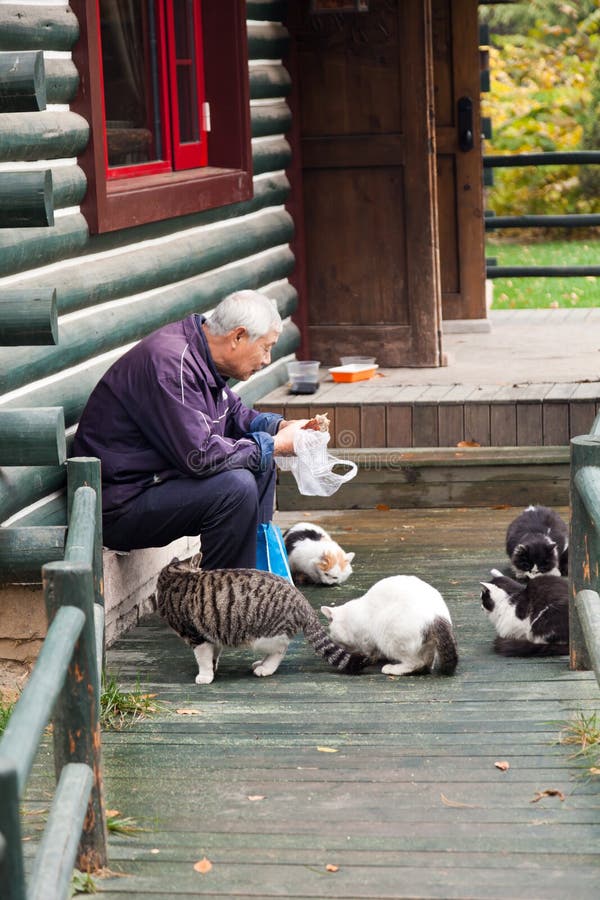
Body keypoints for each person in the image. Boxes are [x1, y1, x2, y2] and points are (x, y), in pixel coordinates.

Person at [72, 290, 309, 569]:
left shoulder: (201, 352)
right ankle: (224, 600)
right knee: (236, 487)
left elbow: (234, 413)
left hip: (160, 482)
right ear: (238, 337)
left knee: (260, 461)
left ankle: (253, 580)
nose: (267, 359)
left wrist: (278, 427)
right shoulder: (172, 366)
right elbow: (200, 457)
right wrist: (275, 444)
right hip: (121, 506)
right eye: (266, 347)